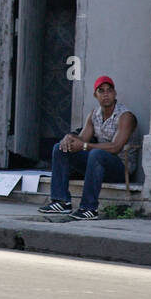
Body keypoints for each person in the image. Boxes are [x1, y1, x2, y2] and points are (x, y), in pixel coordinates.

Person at [38, 75, 137, 220]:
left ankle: (89, 208)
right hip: (97, 164)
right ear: (95, 95)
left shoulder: (125, 116)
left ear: (115, 93)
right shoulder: (94, 114)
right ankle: (61, 201)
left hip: (121, 168)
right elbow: (82, 139)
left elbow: (116, 147)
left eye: (109, 90)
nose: (106, 94)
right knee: (60, 148)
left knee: (96, 154)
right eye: (101, 91)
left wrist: (84, 146)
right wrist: (69, 137)